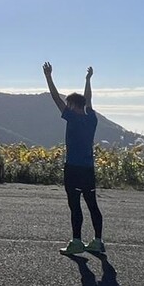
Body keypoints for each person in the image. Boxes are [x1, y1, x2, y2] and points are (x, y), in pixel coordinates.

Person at [43, 62, 104, 256]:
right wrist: (87, 80)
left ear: (72, 105)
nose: (66, 105)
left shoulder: (72, 117)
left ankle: (77, 242)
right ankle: (97, 241)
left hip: (73, 169)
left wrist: (48, 77)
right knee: (92, 204)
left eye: (68, 103)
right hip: (88, 169)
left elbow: (55, 98)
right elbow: (89, 99)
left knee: (75, 205)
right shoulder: (92, 118)